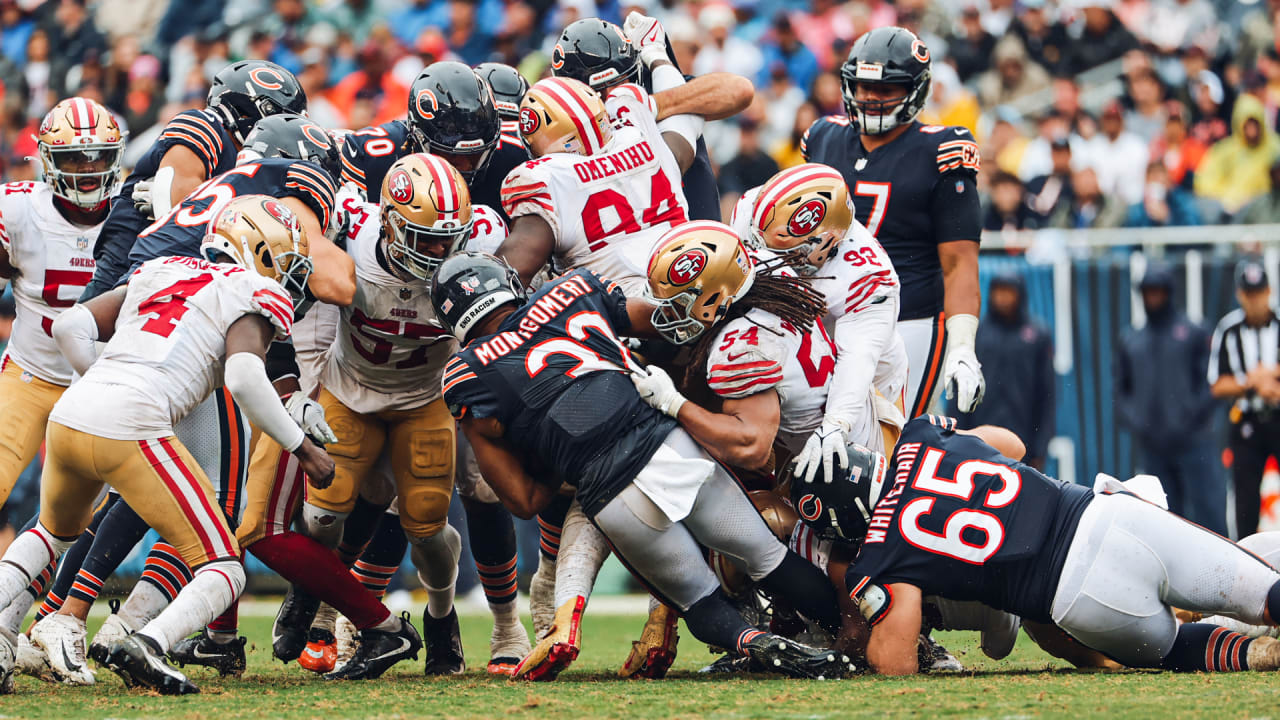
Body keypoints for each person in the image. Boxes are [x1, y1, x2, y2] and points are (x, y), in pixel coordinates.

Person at [432, 251, 856, 681]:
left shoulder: (466, 373)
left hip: (610, 492)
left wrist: (559, 448)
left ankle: (754, 642)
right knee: (768, 558)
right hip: (668, 441)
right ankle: (854, 636)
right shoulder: (572, 289)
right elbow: (670, 322)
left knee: (699, 599)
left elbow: (523, 500)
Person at [0, 195, 330, 695]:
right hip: (133, 420)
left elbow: (70, 325)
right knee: (223, 567)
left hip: (72, 412)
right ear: (258, 250)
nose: (289, 273)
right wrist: (302, 447)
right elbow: (243, 377)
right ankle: (148, 642)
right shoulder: (250, 289)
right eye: (285, 258)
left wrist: (102, 381)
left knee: (52, 534)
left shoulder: (160, 269)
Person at [806, 414, 1280, 676]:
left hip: (1078, 599)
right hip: (1107, 519)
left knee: (1172, 648)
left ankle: (1261, 657)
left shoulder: (878, 558)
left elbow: (896, 663)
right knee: (1263, 594)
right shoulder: (920, 436)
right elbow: (1010, 444)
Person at [802, 26, 985, 419]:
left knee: (891, 438)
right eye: (863, 86)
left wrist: (963, 347)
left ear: (916, 90)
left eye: (886, 89)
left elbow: (959, 265)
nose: (870, 97)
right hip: (830, 317)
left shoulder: (941, 149)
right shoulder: (822, 137)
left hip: (908, 322)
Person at [0, 97, 121, 518]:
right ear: (49, 161)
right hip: (30, 376)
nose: (89, 169)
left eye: (98, 157)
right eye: (74, 159)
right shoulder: (18, 211)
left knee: (71, 514)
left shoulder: (136, 213)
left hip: (105, 386)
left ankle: (41, 584)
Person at [1116, 263, 1224, 534]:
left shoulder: (1194, 332)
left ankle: (1223, 573)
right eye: (1148, 291)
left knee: (1208, 517)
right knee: (1163, 522)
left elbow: (1211, 384)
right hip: (1154, 447)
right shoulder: (1131, 340)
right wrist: (1139, 422)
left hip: (1194, 442)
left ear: (1169, 291)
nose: (1153, 297)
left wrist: (1189, 417)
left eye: (1158, 290)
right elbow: (1120, 391)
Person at [1210, 258, 1280, 538]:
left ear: (1269, 291)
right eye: (1248, 294)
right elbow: (1217, 384)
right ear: (1240, 294)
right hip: (1247, 421)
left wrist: (1271, 381)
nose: (1254, 300)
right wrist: (1252, 382)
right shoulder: (1228, 329)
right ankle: (1248, 558)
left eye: (1259, 293)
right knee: (1245, 499)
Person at [956, 271, 1054, 470]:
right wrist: (959, 437)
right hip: (979, 437)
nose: (1003, 298)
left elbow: (1047, 394)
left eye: (1008, 292)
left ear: (1020, 294)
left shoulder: (1037, 335)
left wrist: (1040, 448)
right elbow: (961, 388)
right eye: (998, 291)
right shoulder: (977, 334)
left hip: (1023, 438)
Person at [1195, 94, 1280, 217]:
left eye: (1254, 124)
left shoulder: (1274, 147)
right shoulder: (1225, 150)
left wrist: (1255, 198)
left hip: (1266, 208)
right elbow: (1205, 181)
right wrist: (1229, 199)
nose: (1252, 130)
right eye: (1247, 125)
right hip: (1231, 211)